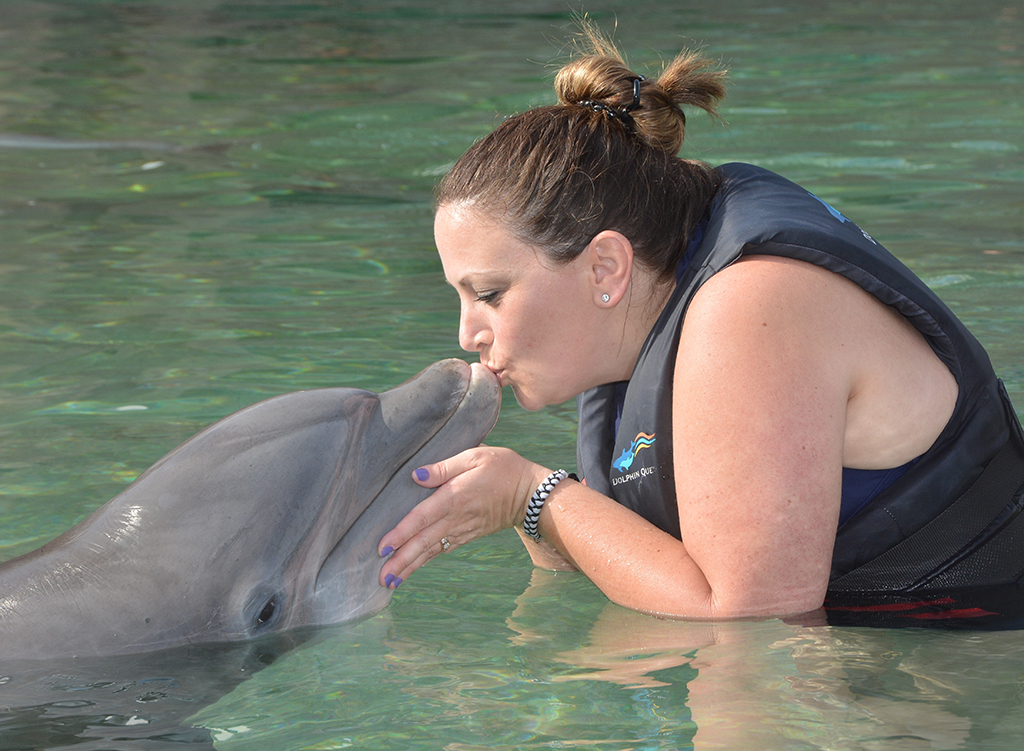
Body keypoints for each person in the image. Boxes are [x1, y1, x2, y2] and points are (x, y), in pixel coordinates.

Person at [377, 25, 1024, 619]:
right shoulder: (661, 280)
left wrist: (531, 493)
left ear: (605, 268)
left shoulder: (749, 308)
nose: (468, 334)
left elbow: (748, 619)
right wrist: (521, 508)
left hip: (971, 664)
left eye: (489, 292)